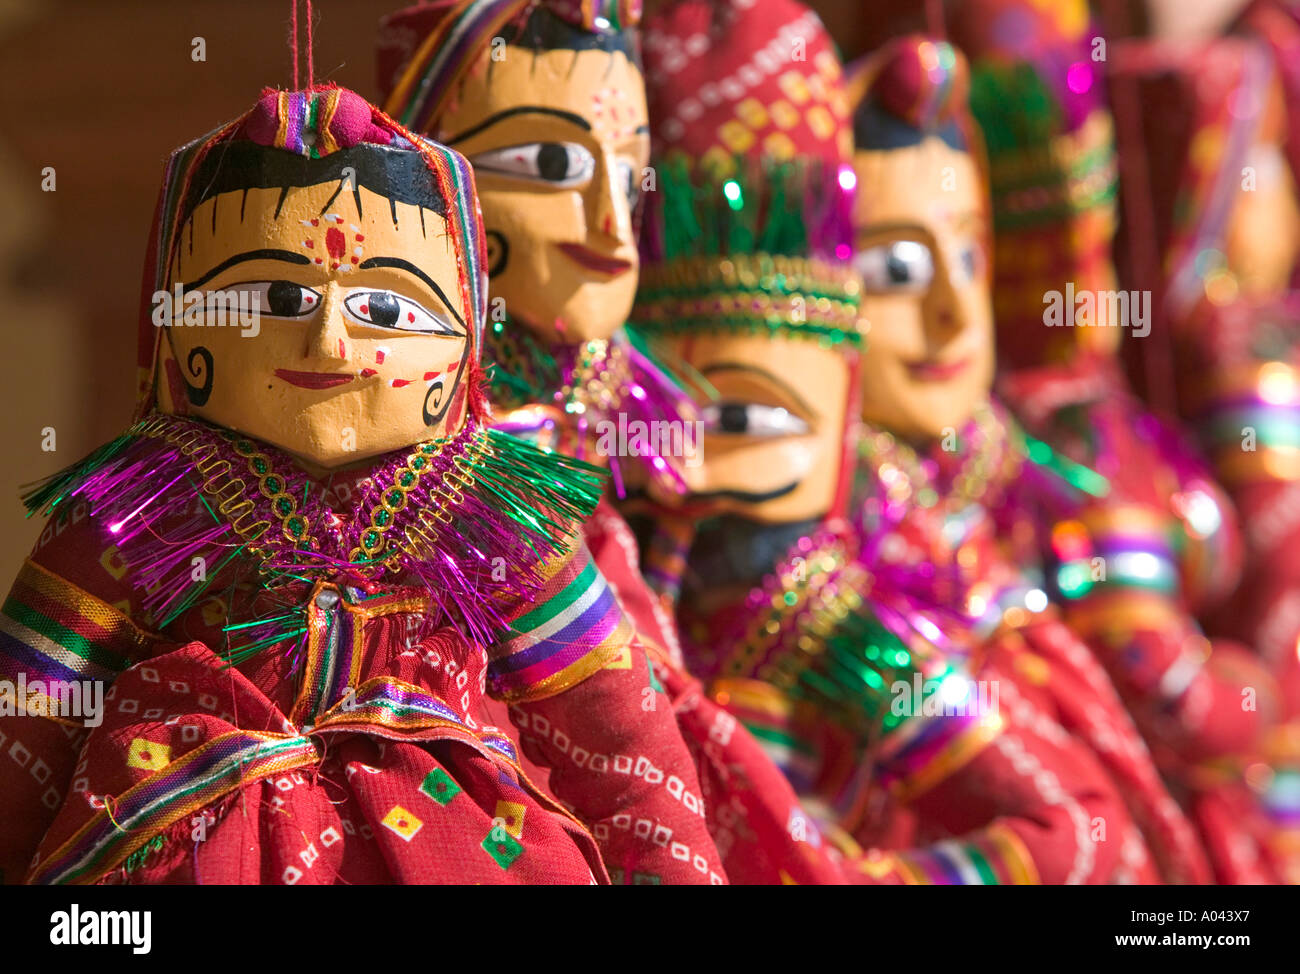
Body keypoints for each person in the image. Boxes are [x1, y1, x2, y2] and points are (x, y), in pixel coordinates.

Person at [0, 83, 721, 885]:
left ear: (463, 348)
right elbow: (25, 725)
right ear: (180, 330)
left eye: (386, 306)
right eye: (276, 299)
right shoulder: (136, 509)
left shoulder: (495, 516)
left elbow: (622, 738)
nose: (332, 342)